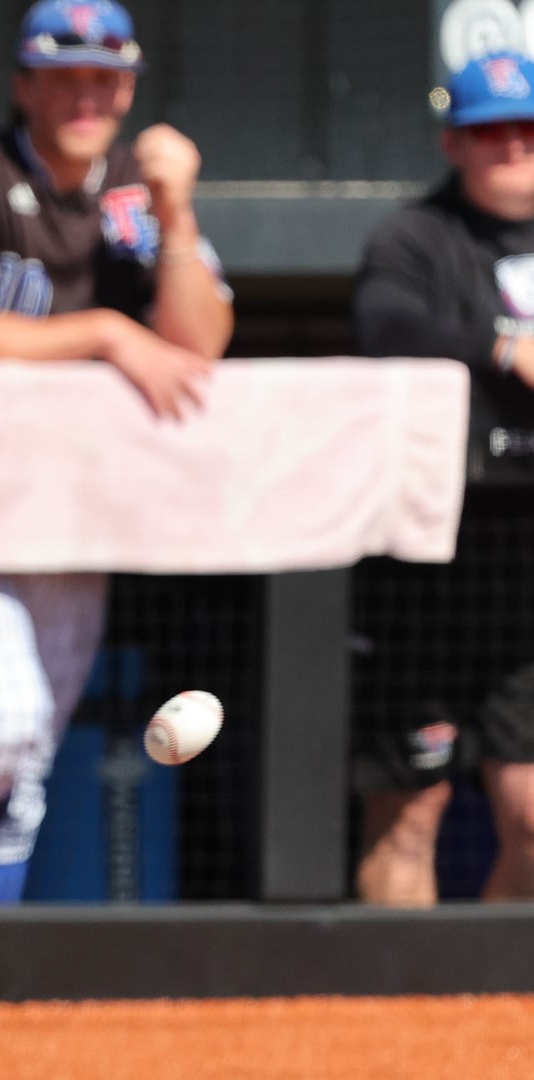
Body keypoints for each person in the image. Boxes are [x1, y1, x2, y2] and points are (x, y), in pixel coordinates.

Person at [0, 0, 232, 904]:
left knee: (28, 754)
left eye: (106, 75)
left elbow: (199, 342)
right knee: (1, 727)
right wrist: (106, 334)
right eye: (66, 74)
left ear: (127, 85)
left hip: (71, 514)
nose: (88, 93)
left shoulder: (138, 182)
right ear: (25, 83)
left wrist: (177, 207)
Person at [351, 49, 534, 906]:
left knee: (531, 815)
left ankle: (494, 1031)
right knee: (410, 806)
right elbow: (381, 321)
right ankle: (391, 1033)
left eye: (524, 128)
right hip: (426, 557)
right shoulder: (414, 235)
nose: (507, 146)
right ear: (451, 141)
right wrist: (503, 347)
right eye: (484, 131)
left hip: (528, 571)